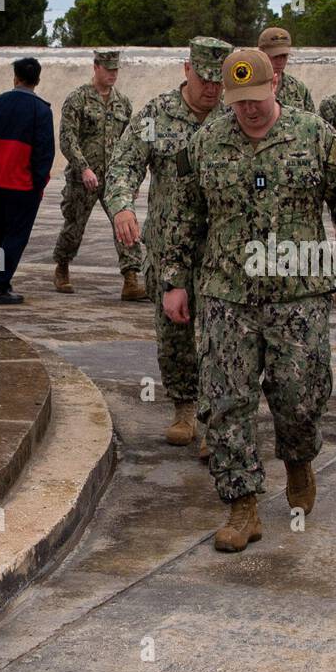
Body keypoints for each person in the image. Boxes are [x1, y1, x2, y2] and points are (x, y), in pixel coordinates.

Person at [159, 48, 336, 552]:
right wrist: (174, 280)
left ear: (275, 85)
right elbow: (182, 218)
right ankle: (242, 506)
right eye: (238, 102)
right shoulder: (205, 143)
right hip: (226, 295)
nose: (248, 109)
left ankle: (298, 461)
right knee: (226, 402)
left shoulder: (317, 137)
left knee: (298, 399)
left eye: (256, 98)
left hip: (297, 292)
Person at [105, 36, 234, 449]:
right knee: (175, 333)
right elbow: (123, 166)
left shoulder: (235, 116)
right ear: (186, 69)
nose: (212, 89)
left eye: (219, 81)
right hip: (168, 247)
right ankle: (184, 406)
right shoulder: (156, 115)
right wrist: (123, 206)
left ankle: (217, 421)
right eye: (204, 78)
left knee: (224, 336)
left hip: (222, 251)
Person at [52, 49, 144, 300]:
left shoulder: (123, 103)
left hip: (114, 177)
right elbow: (67, 139)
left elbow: (130, 142)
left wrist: (131, 180)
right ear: (96, 67)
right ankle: (62, 267)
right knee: (74, 226)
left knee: (125, 223)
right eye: (108, 69)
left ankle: (131, 278)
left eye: (116, 70)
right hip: (84, 177)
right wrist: (83, 168)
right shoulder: (77, 99)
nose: (113, 74)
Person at [0, 57, 55, 305]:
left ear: (15, 78)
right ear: (37, 80)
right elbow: (44, 153)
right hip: (23, 186)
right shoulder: (41, 110)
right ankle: (0, 285)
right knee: (15, 236)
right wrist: (39, 184)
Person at [257, 26, 315, 112]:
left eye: (284, 56)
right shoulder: (248, 86)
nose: (280, 61)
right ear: (261, 54)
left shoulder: (298, 89)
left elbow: (313, 121)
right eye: (275, 56)